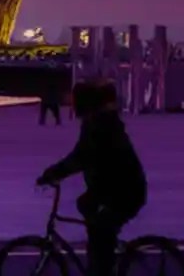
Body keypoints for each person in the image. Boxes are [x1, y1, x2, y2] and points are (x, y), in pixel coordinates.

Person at [37, 80, 146, 276]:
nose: (71, 103)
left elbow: (81, 156)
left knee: (100, 234)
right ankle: (101, 261)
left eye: (74, 100)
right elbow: (82, 156)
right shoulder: (98, 121)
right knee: (87, 207)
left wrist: (53, 174)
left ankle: (102, 268)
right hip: (115, 188)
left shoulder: (99, 126)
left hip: (122, 191)